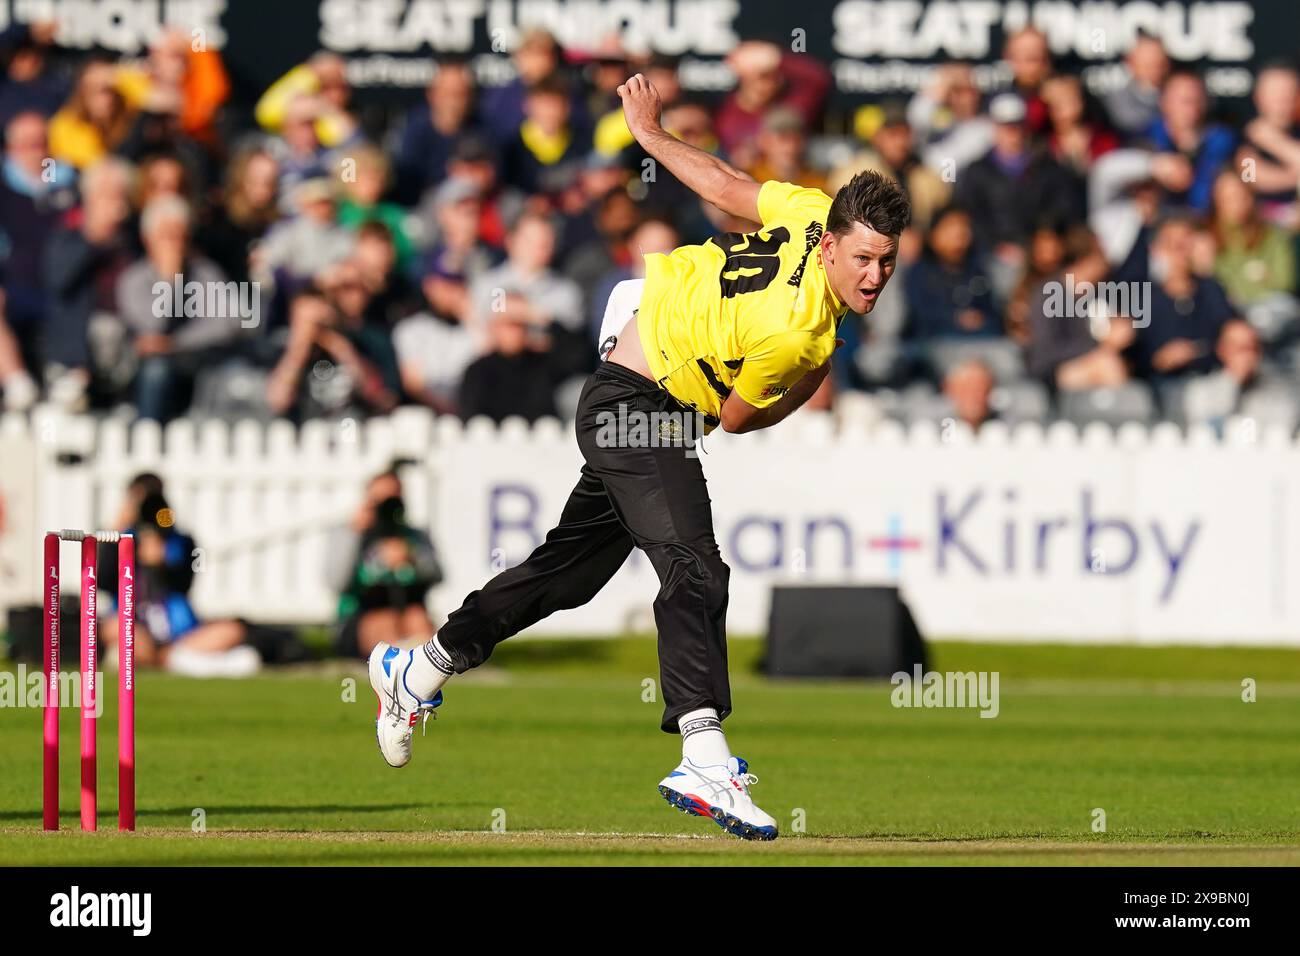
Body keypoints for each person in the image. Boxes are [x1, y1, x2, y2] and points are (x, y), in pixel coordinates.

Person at [367, 72, 909, 842]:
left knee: (568, 574)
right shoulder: (804, 336)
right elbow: (736, 418)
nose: (874, 276)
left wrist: (652, 136)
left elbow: (725, 183)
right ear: (830, 244)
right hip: (636, 405)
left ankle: (417, 670)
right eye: (862, 259)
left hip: (634, 363)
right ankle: (703, 750)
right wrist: (816, 376)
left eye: (886, 262)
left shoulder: (814, 211)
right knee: (695, 566)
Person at [327, 470, 442, 659]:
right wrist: (355, 535)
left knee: (418, 620)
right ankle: (400, 669)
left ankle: (420, 666)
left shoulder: (413, 536)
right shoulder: (350, 534)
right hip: (361, 617)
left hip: (409, 612)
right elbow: (335, 582)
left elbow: (438, 575)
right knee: (385, 622)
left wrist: (412, 558)